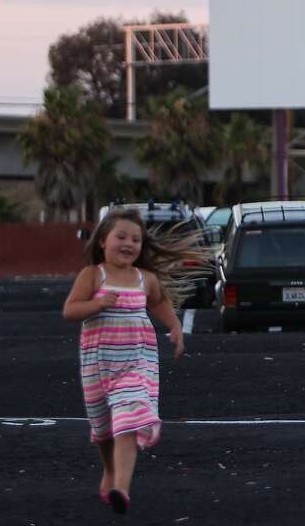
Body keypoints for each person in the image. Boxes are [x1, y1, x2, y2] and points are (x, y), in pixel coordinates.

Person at [62, 208, 211, 514]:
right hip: (97, 365)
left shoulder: (145, 279)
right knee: (103, 430)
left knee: (128, 420)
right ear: (103, 241)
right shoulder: (93, 275)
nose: (129, 244)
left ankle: (121, 488)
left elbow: (159, 302)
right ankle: (109, 470)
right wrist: (96, 304)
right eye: (121, 237)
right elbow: (70, 310)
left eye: (136, 239)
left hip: (136, 364)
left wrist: (175, 327)